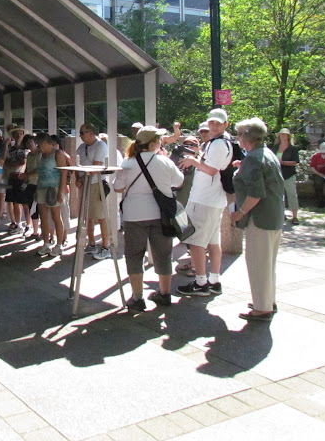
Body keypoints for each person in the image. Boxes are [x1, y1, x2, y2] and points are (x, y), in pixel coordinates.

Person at [115, 126, 184, 311]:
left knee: (134, 255)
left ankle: (137, 298)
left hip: (134, 215)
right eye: (159, 140)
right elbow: (179, 181)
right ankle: (164, 293)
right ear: (153, 143)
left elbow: (117, 187)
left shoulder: (128, 163)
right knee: (163, 254)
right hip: (160, 215)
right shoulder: (164, 161)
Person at [229, 118, 284, 322]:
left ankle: (262, 308)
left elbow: (256, 193)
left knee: (258, 263)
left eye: (239, 134)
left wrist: (239, 212)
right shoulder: (266, 153)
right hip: (274, 216)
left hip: (260, 218)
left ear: (246, 136)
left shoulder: (253, 158)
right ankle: (268, 301)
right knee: (268, 262)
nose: (237, 138)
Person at [177, 109, 232, 296]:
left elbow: (211, 170)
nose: (213, 126)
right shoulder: (220, 143)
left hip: (205, 200)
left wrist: (193, 161)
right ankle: (214, 280)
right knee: (212, 242)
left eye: (218, 123)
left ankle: (201, 282)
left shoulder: (218, 145)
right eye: (211, 123)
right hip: (212, 200)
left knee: (196, 242)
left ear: (226, 124)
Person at [76, 122, 111, 260]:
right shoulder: (81, 147)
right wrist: (77, 178)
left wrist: (83, 176)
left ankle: (106, 247)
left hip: (97, 184)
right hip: (85, 184)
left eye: (82, 133)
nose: (80, 136)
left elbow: (96, 167)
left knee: (101, 216)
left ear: (91, 133)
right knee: (87, 216)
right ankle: (91, 244)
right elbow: (77, 165)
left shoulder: (101, 145)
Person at [33, 133, 68, 257]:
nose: (38, 147)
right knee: (43, 217)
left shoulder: (58, 154)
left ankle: (59, 244)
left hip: (54, 188)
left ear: (45, 143)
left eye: (39, 145)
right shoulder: (42, 155)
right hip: (42, 187)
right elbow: (40, 171)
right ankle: (46, 243)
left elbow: (64, 172)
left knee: (56, 216)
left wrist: (61, 192)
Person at [271, 128, 300, 224]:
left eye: (285, 134)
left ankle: (294, 216)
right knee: (279, 196)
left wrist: (282, 162)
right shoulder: (275, 147)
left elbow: (295, 162)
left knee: (292, 195)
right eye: (281, 134)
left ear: (288, 136)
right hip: (277, 174)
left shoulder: (293, 148)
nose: (283, 136)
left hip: (289, 175)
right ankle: (281, 215)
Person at [2, 127, 28, 232]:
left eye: (20, 133)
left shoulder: (23, 148)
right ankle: (13, 222)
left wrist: (11, 163)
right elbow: (4, 160)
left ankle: (19, 224)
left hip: (20, 176)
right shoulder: (11, 149)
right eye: (16, 134)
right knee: (10, 201)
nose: (18, 136)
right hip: (11, 176)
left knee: (18, 202)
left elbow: (22, 162)